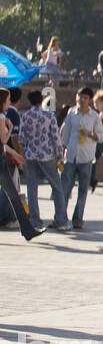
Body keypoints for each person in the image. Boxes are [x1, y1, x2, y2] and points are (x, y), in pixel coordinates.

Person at [19, 90, 69, 231]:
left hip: (31, 155)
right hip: (47, 155)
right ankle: (61, 220)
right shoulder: (49, 115)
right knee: (57, 187)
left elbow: (22, 138)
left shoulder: (26, 116)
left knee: (32, 189)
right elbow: (55, 138)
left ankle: (35, 222)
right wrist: (59, 156)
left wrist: (26, 150)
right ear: (41, 100)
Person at [0, 89, 44, 240]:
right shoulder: (1, 117)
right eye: (7, 100)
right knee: (13, 197)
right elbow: (3, 141)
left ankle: (28, 230)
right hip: (1, 164)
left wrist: (15, 155)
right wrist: (10, 127)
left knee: (14, 197)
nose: (9, 102)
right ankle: (28, 230)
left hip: (2, 161)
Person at [59, 85, 103, 230]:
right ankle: (60, 217)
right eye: (80, 97)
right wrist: (62, 152)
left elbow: (101, 137)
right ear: (76, 98)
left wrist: (89, 133)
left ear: (90, 100)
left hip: (86, 157)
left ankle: (78, 218)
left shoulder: (95, 116)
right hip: (71, 156)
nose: (82, 100)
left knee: (83, 190)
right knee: (65, 188)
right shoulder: (71, 113)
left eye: (85, 98)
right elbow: (65, 134)